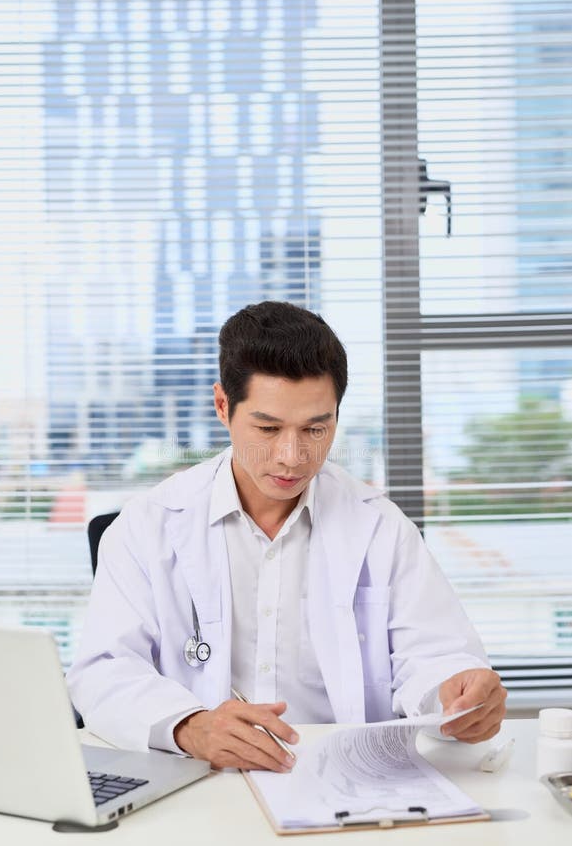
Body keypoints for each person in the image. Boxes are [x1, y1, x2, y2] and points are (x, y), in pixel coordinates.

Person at [67, 300, 506, 772]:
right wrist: (187, 725)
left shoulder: (381, 528)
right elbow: (103, 669)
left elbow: (435, 655)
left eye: (316, 428)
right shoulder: (147, 525)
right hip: (200, 780)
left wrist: (454, 691)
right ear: (222, 406)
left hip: (347, 781)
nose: (292, 456)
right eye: (269, 428)